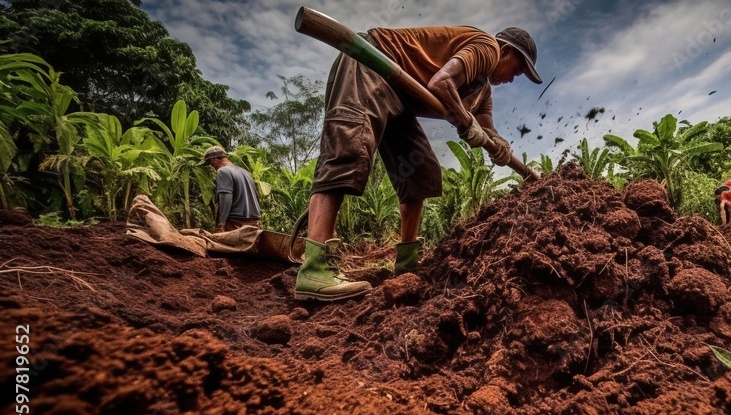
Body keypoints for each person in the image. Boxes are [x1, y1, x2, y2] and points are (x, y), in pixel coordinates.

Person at [296, 25, 542, 302]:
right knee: (348, 149)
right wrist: (465, 120)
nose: (513, 79)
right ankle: (314, 269)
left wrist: (500, 145)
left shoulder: (482, 91)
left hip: (400, 95)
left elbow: (487, 130)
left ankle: (406, 262)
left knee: (421, 172)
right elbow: (441, 83)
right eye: (517, 69)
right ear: (506, 51)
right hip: (373, 63)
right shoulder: (487, 48)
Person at [201, 146, 261, 231]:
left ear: (214, 158)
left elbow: (226, 198)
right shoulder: (246, 172)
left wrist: (221, 224)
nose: (211, 166)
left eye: (210, 162)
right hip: (254, 222)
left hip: (236, 222)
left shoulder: (223, 171)